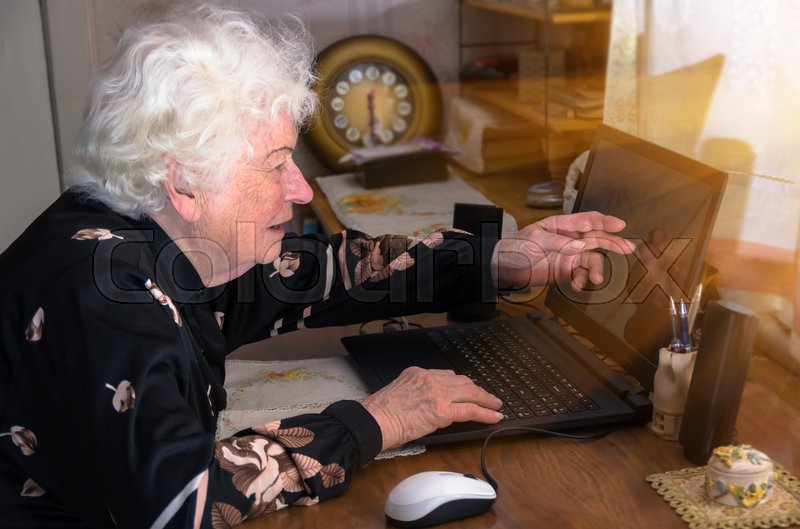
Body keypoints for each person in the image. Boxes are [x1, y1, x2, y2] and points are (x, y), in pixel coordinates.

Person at [0, 4, 635, 528]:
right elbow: (182, 506)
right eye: (275, 164)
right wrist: (379, 420)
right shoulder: (105, 297)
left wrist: (495, 260)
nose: (300, 189)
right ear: (185, 182)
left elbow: (315, 274)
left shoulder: (144, 230)